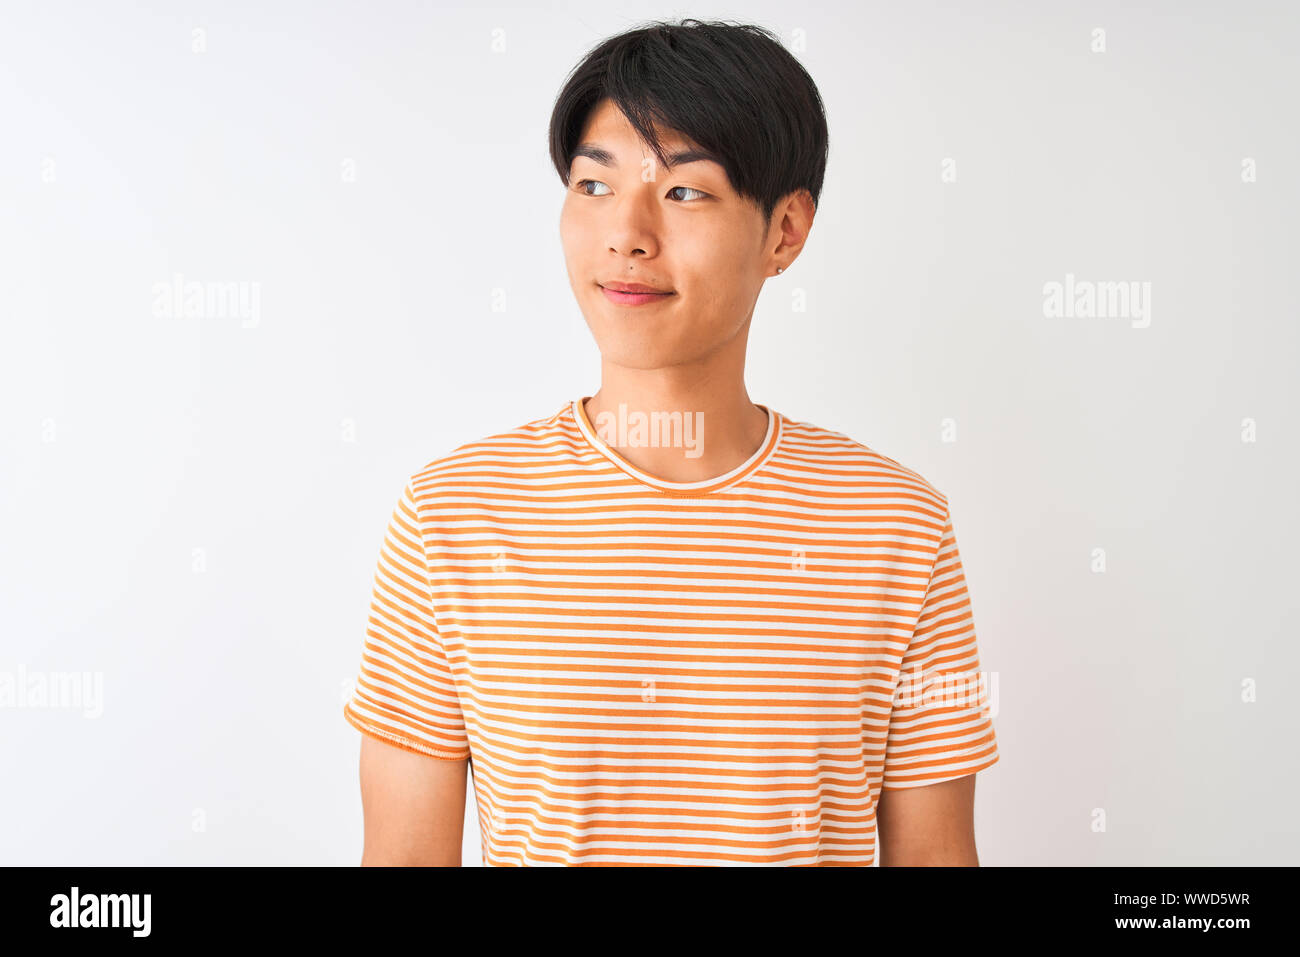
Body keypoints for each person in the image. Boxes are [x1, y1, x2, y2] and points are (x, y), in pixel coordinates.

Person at [343, 17, 999, 866]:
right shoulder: (453, 518)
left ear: (785, 232)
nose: (628, 233)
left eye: (685, 192)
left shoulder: (897, 526)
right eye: (593, 185)